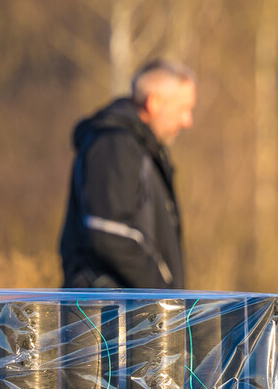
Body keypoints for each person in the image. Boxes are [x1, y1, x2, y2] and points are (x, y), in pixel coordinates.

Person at [59, 60, 196, 288]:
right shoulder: (114, 143)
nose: (187, 121)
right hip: (107, 315)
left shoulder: (142, 149)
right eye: (183, 109)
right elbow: (108, 231)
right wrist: (163, 295)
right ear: (154, 102)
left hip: (136, 314)